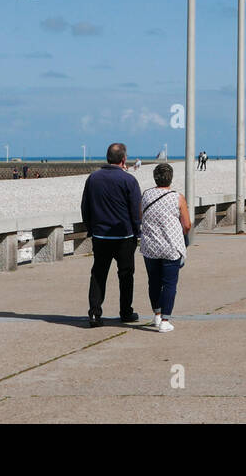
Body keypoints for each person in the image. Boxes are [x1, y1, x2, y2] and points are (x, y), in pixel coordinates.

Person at [81, 142, 142, 327]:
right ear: (123, 159)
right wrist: (137, 232)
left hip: (100, 236)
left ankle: (94, 313)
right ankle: (125, 312)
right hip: (123, 236)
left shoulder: (93, 178)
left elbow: (85, 207)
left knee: (98, 274)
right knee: (126, 275)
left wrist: (90, 228)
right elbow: (135, 210)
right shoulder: (129, 180)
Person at [139, 162, 191, 333]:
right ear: (171, 178)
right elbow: (187, 224)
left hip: (151, 246)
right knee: (169, 284)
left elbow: (141, 216)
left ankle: (156, 314)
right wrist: (182, 234)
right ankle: (165, 321)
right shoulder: (177, 197)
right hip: (171, 246)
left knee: (153, 281)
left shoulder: (146, 195)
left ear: (155, 177)